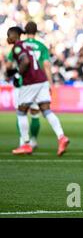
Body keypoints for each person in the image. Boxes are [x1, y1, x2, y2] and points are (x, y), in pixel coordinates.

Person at [6, 26, 70, 156]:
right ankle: (61, 137)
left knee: (21, 112)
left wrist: (18, 75)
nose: (8, 38)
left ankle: (25, 144)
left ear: (14, 36)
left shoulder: (18, 47)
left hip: (30, 82)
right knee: (46, 110)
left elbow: (25, 61)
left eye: (9, 35)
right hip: (42, 80)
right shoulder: (30, 46)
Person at [6, 21, 53, 149]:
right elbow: (46, 65)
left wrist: (11, 74)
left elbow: (10, 63)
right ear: (36, 31)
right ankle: (33, 140)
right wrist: (50, 83)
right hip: (38, 82)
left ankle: (23, 141)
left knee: (21, 112)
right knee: (35, 113)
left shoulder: (20, 45)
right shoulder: (41, 46)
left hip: (22, 83)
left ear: (25, 32)